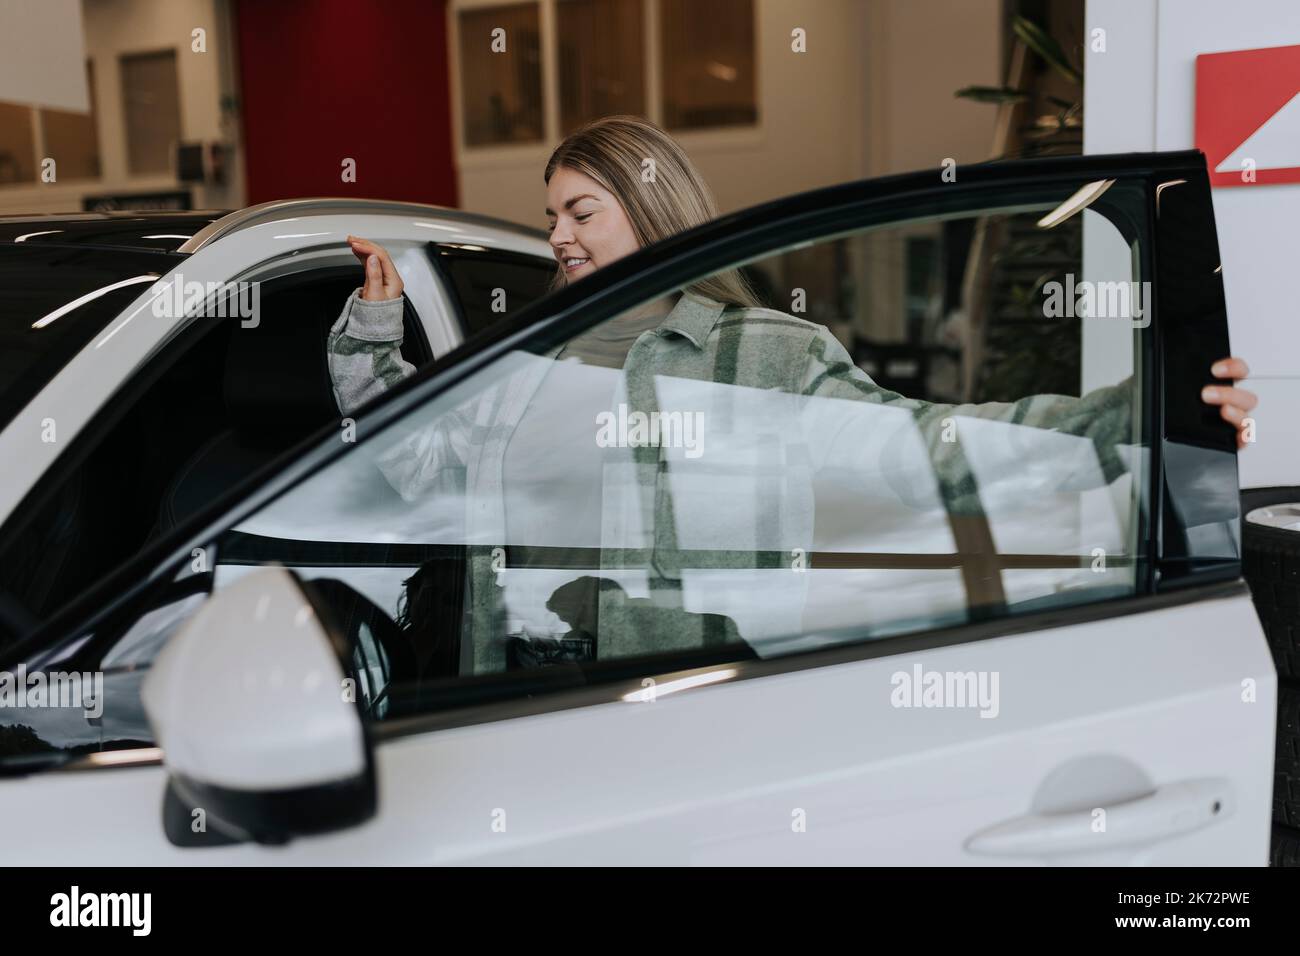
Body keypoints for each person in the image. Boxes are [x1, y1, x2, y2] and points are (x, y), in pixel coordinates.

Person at [329, 116, 1258, 676]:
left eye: (581, 212)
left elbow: (927, 449)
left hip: (683, 707)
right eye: (550, 218)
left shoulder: (761, 356)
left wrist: (1151, 409)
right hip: (502, 696)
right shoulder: (517, 369)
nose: (559, 237)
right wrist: (375, 327)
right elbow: (412, 463)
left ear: (652, 213)